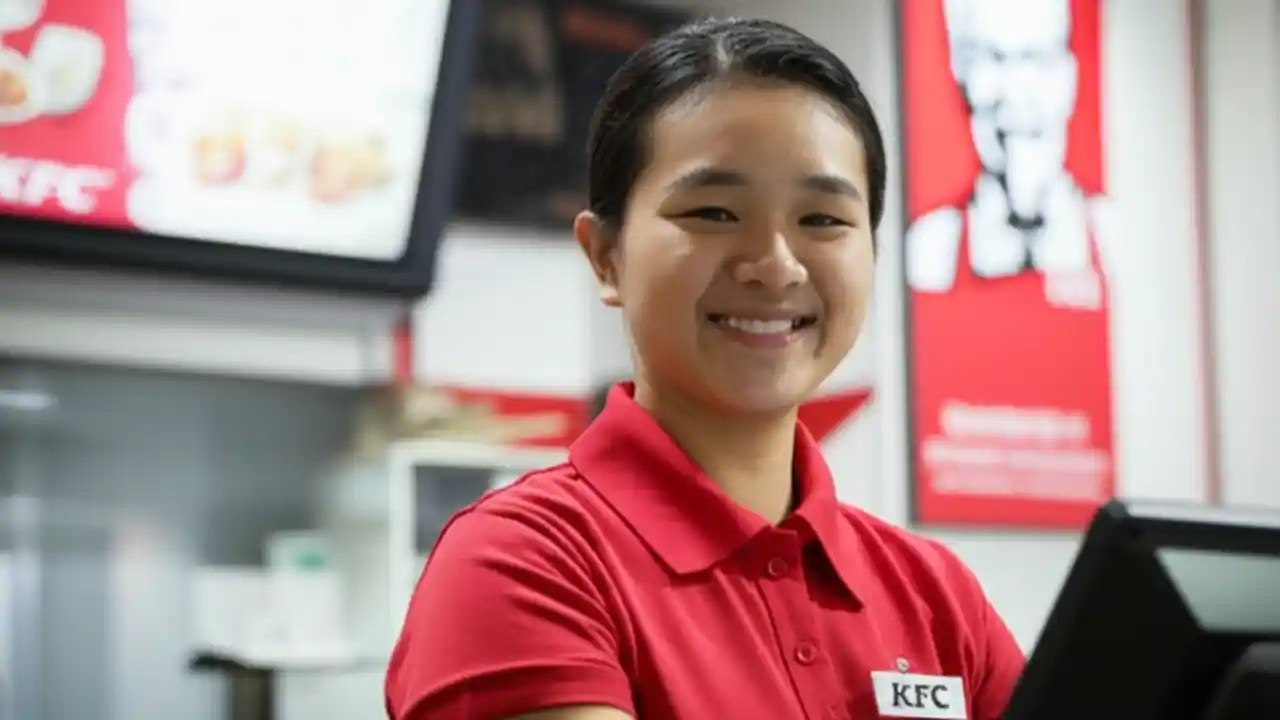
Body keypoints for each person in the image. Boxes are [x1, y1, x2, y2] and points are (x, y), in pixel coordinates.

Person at [385, 16, 1025, 720]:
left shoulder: (936, 597)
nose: (776, 265)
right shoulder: (522, 563)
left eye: (823, 221)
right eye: (715, 212)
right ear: (605, 255)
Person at [906, 0, 1102, 301]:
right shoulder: (931, 252)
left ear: (1069, 76)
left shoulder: (1115, 239)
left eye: (1037, 58)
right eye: (991, 59)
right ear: (960, 77)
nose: (1016, 91)